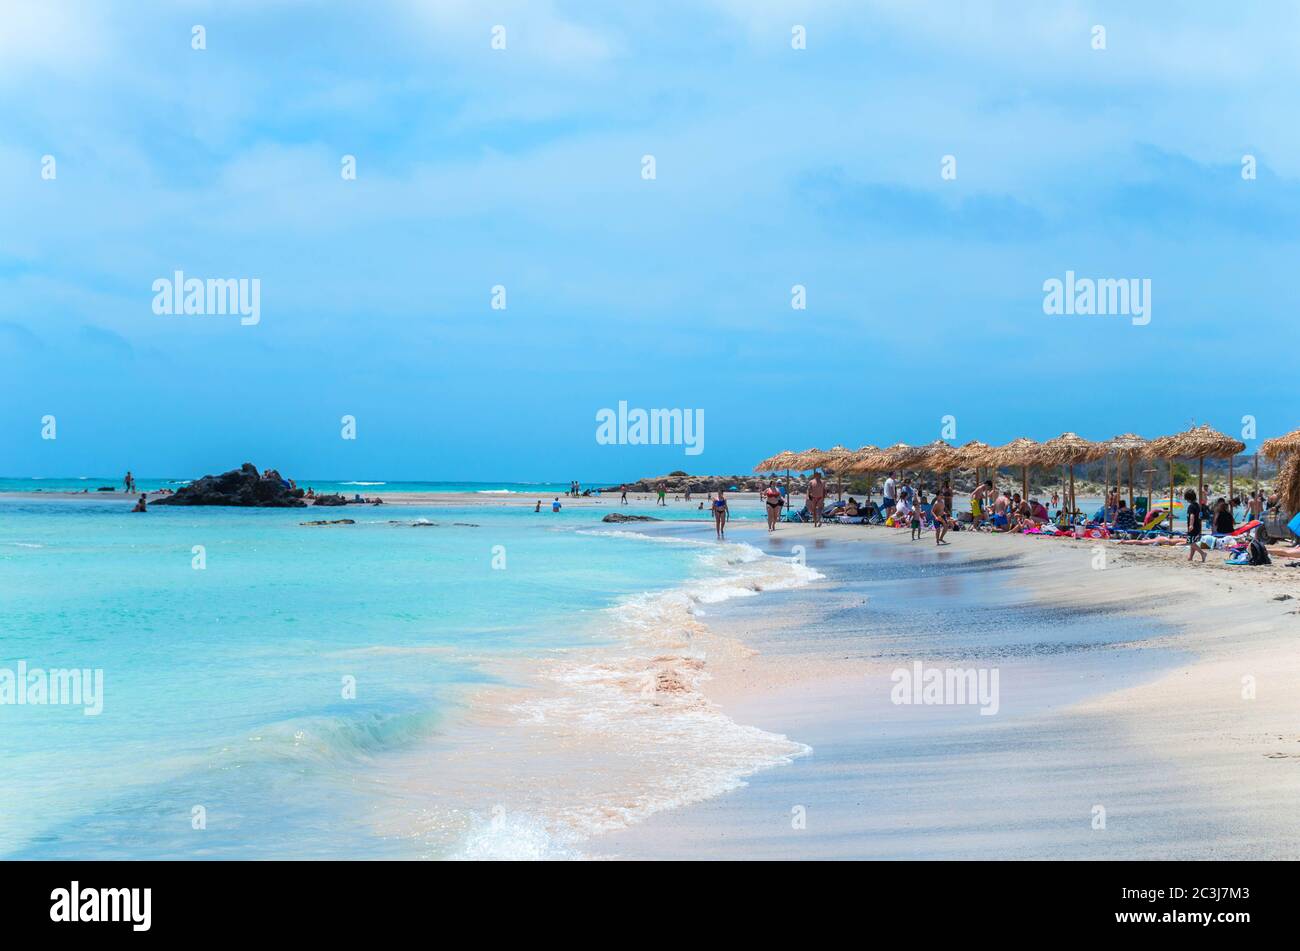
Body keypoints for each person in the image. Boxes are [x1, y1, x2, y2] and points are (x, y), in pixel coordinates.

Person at [1184, 489, 1205, 562]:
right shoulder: (1197, 505)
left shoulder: (1191, 506)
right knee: (1193, 543)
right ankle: (1190, 557)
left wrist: (1191, 525)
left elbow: (1192, 516)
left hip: (1193, 526)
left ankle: (1203, 553)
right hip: (1198, 526)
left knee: (1190, 542)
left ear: (1188, 498)